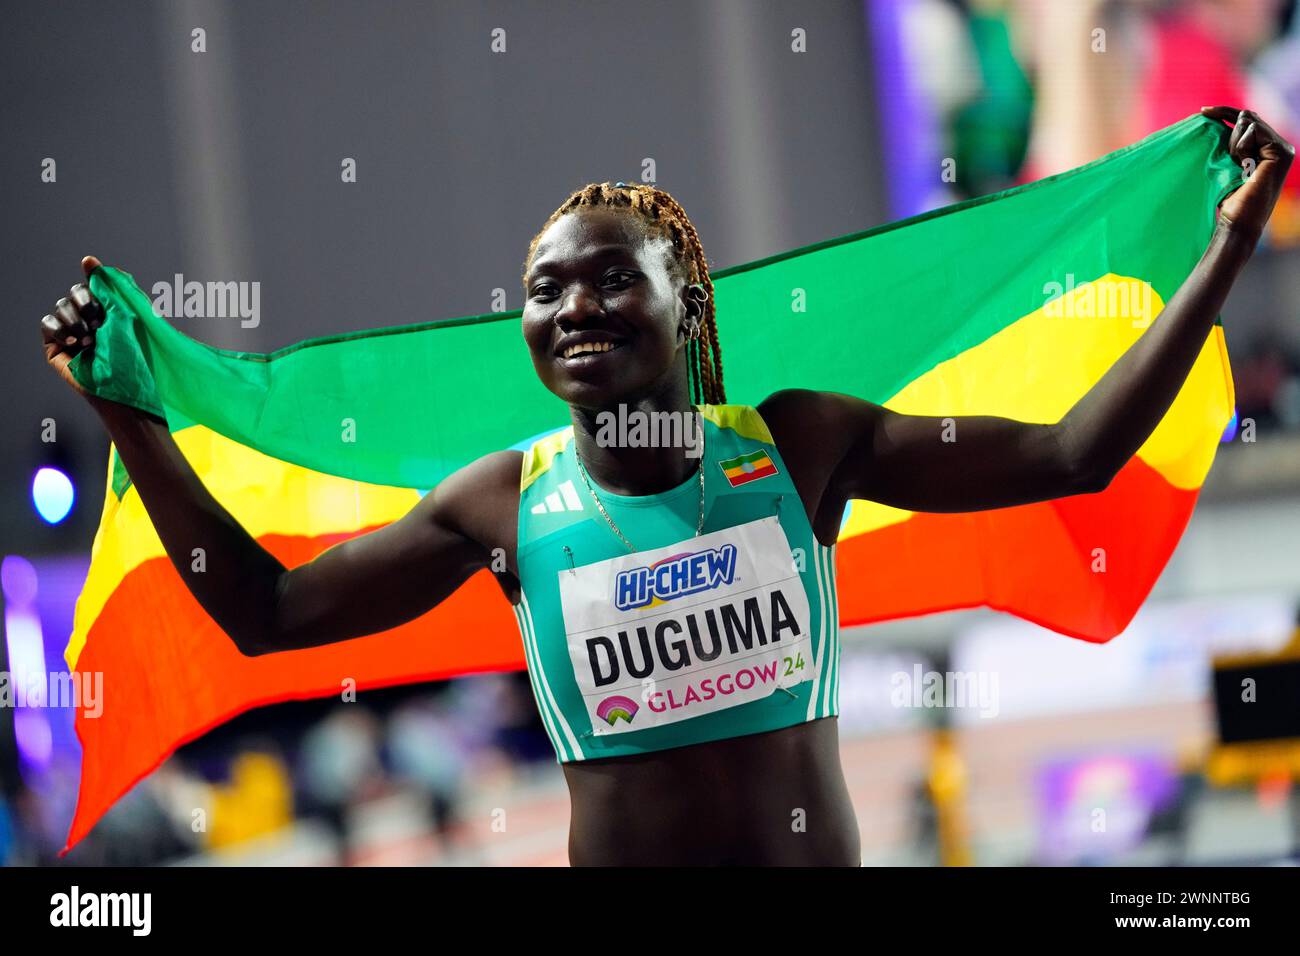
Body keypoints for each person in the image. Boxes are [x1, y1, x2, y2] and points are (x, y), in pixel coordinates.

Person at [40, 109, 1293, 865]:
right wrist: (127, 417)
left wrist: (1226, 245)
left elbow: (1071, 451)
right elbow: (266, 611)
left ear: (683, 304)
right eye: (544, 289)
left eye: (607, 279)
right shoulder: (500, 504)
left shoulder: (800, 446)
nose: (572, 307)